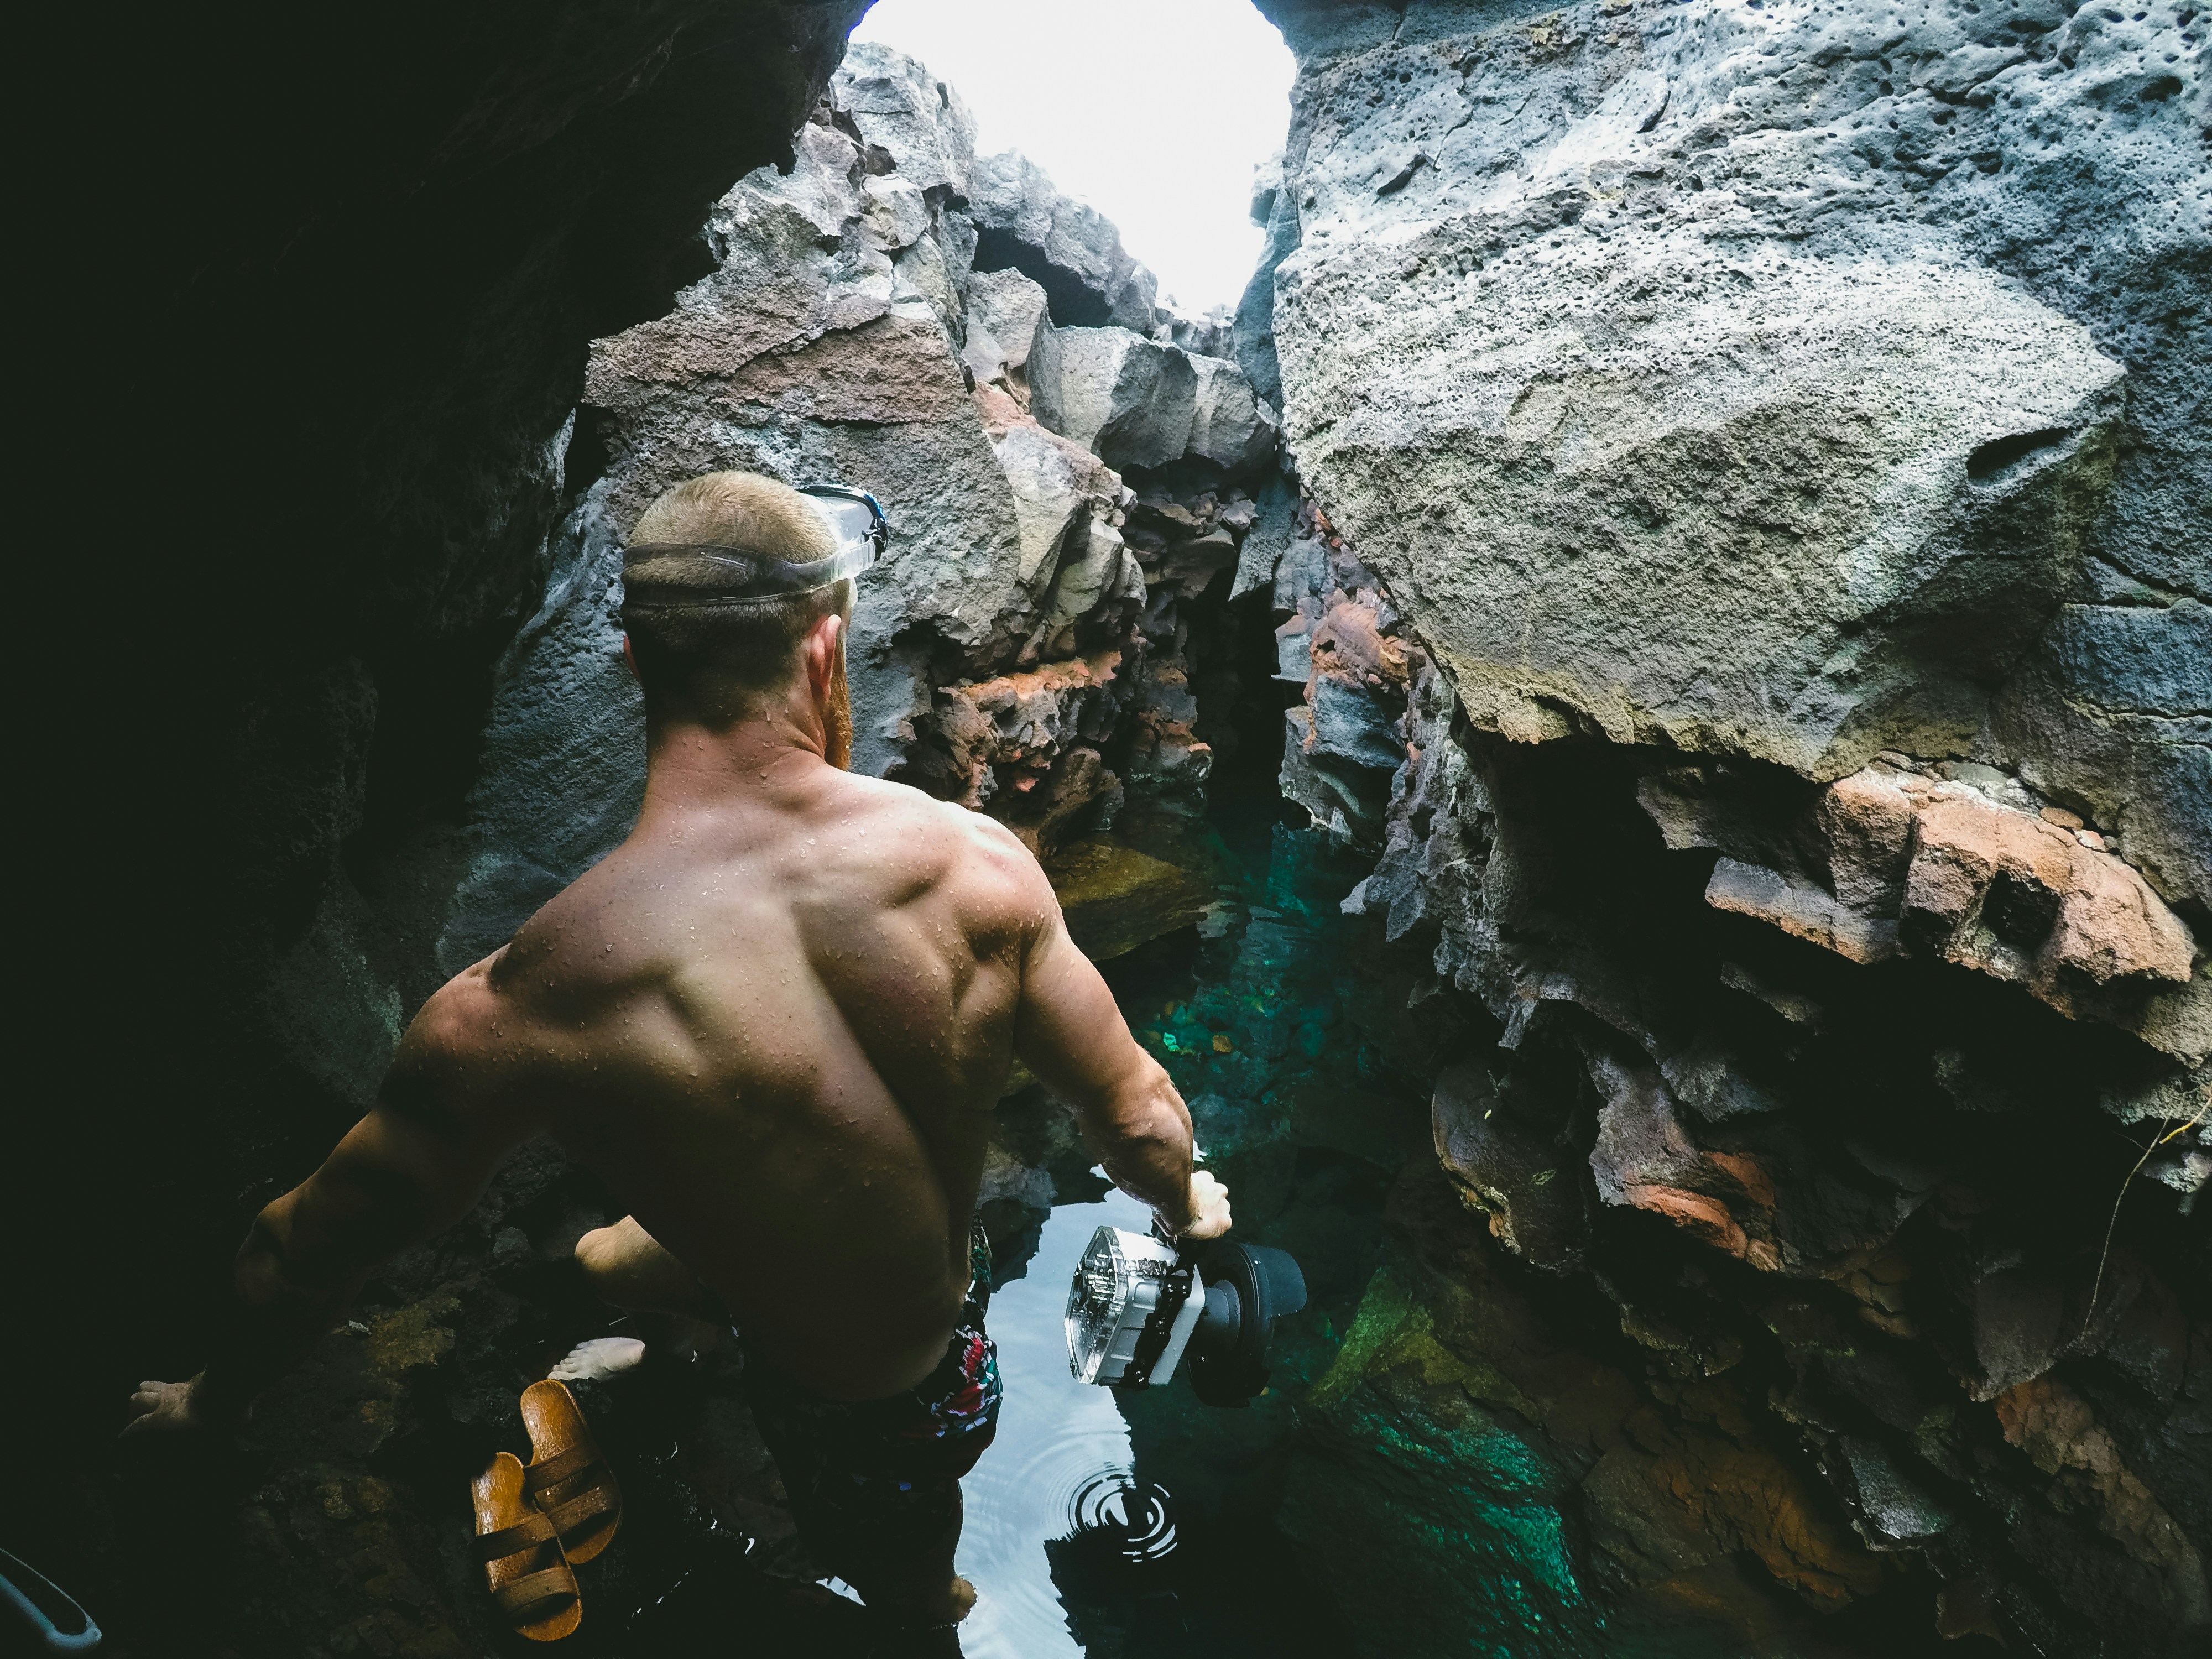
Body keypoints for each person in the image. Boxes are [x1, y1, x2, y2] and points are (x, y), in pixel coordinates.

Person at [123, 471, 1230, 1641]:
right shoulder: (979, 865)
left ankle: (921, 1604)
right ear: (823, 650)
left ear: (631, 662)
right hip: (918, 1340)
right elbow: (1144, 1117)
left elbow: (302, 1247)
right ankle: (851, 1520)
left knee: (895, 1580)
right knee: (608, 1264)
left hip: (865, 1393)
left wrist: (210, 1403)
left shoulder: (526, 1004)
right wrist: (1190, 1202)